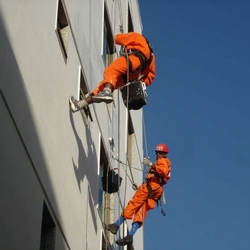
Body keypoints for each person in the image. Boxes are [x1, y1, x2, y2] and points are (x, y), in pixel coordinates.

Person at [69, 32, 155, 112]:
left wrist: (114, 37)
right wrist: (141, 82)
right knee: (105, 85)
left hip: (133, 60)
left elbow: (119, 38)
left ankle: (107, 92)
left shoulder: (138, 37)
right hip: (132, 76)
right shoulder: (151, 57)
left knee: (111, 70)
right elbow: (150, 77)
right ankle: (80, 104)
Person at [106, 144, 171, 246]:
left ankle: (116, 225)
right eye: (156, 153)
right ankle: (130, 236)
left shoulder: (163, 162)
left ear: (162, 154)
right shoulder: (163, 163)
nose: (157, 155)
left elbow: (163, 171)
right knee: (140, 212)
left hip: (151, 187)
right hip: (154, 192)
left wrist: (151, 164)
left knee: (133, 204)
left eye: (158, 153)